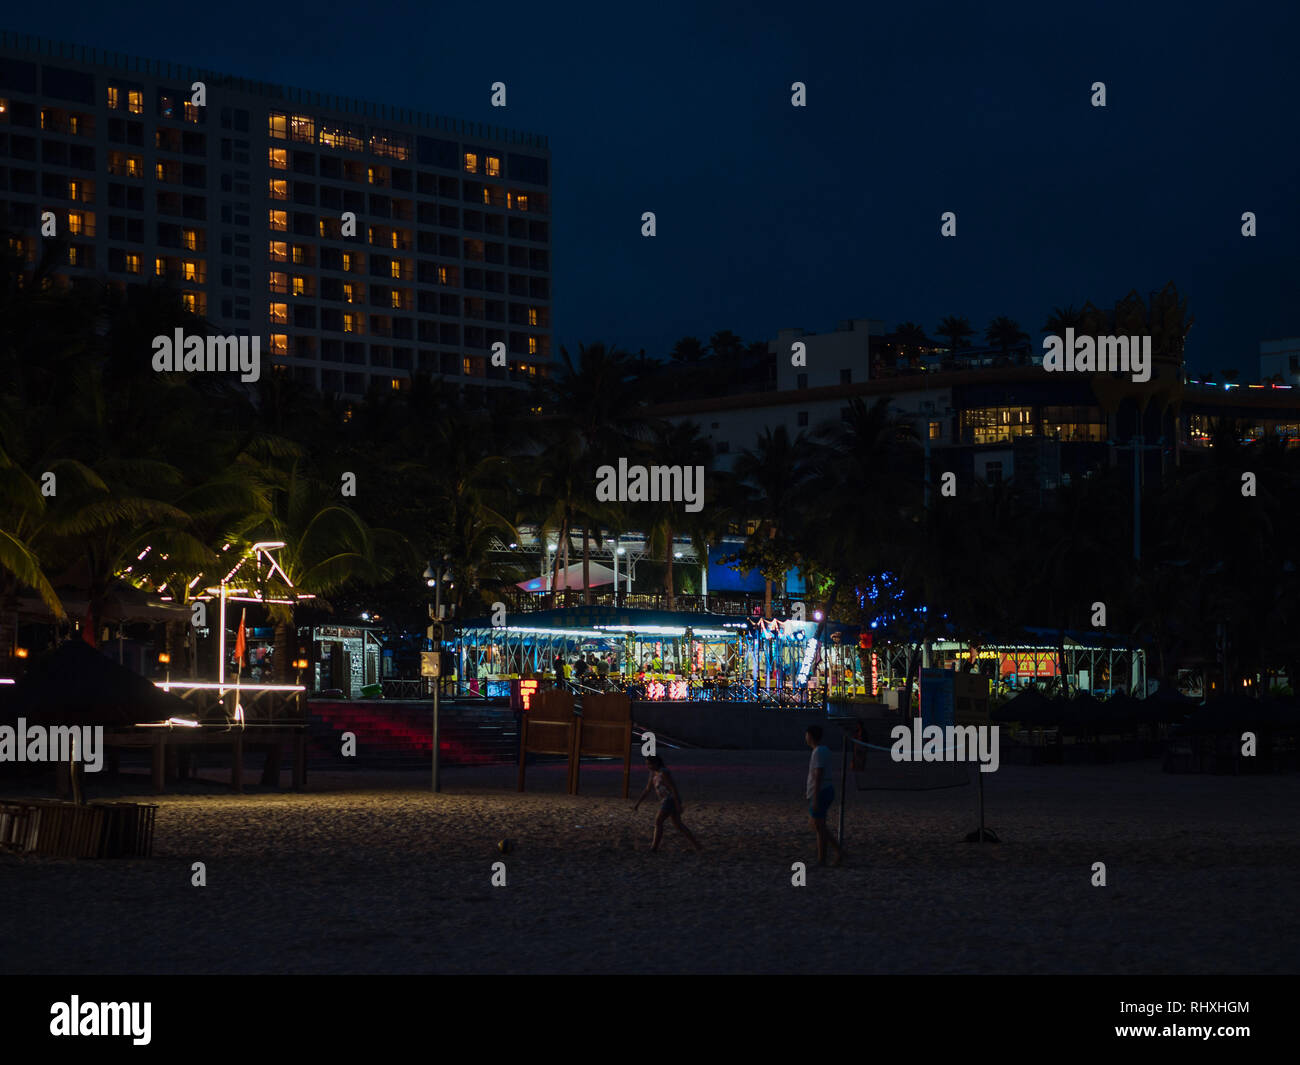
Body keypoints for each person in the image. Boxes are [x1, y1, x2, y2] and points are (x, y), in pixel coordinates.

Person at [633, 755, 701, 852]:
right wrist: (638, 803)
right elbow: (648, 789)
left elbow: (673, 788)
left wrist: (678, 804)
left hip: (670, 800)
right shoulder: (653, 773)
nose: (648, 766)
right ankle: (697, 845)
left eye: (649, 764)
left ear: (656, 763)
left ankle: (654, 848)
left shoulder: (664, 773)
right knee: (678, 825)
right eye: (647, 764)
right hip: (665, 800)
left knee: (658, 821)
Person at [804, 725, 843, 866]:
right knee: (819, 826)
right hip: (825, 790)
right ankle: (824, 857)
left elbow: (818, 774)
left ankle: (836, 851)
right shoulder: (823, 750)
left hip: (821, 791)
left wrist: (815, 797)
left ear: (811, 736)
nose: (805, 737)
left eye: (806, 735)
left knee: (818, 826)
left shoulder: (818, 752)